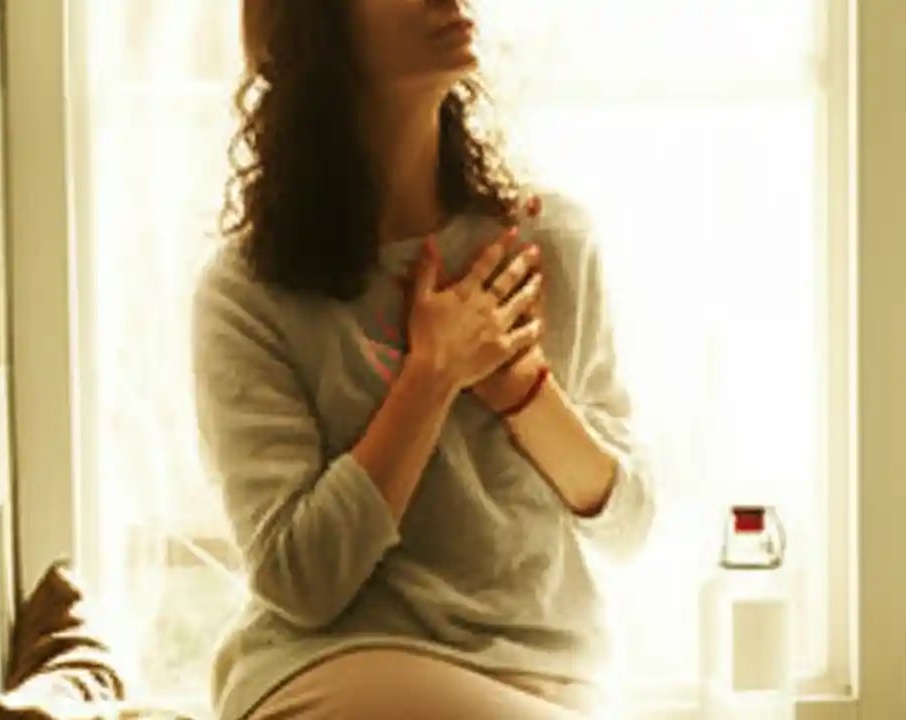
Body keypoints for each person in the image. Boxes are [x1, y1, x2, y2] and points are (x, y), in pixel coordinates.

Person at [192, 1, 655, 718]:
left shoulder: (550, 241)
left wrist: (525, 394)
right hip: (341, 663)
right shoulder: (249, 291)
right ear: (319, 24)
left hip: (550, 673)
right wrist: (431, 375)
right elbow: (300, 581)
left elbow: (630, 524)